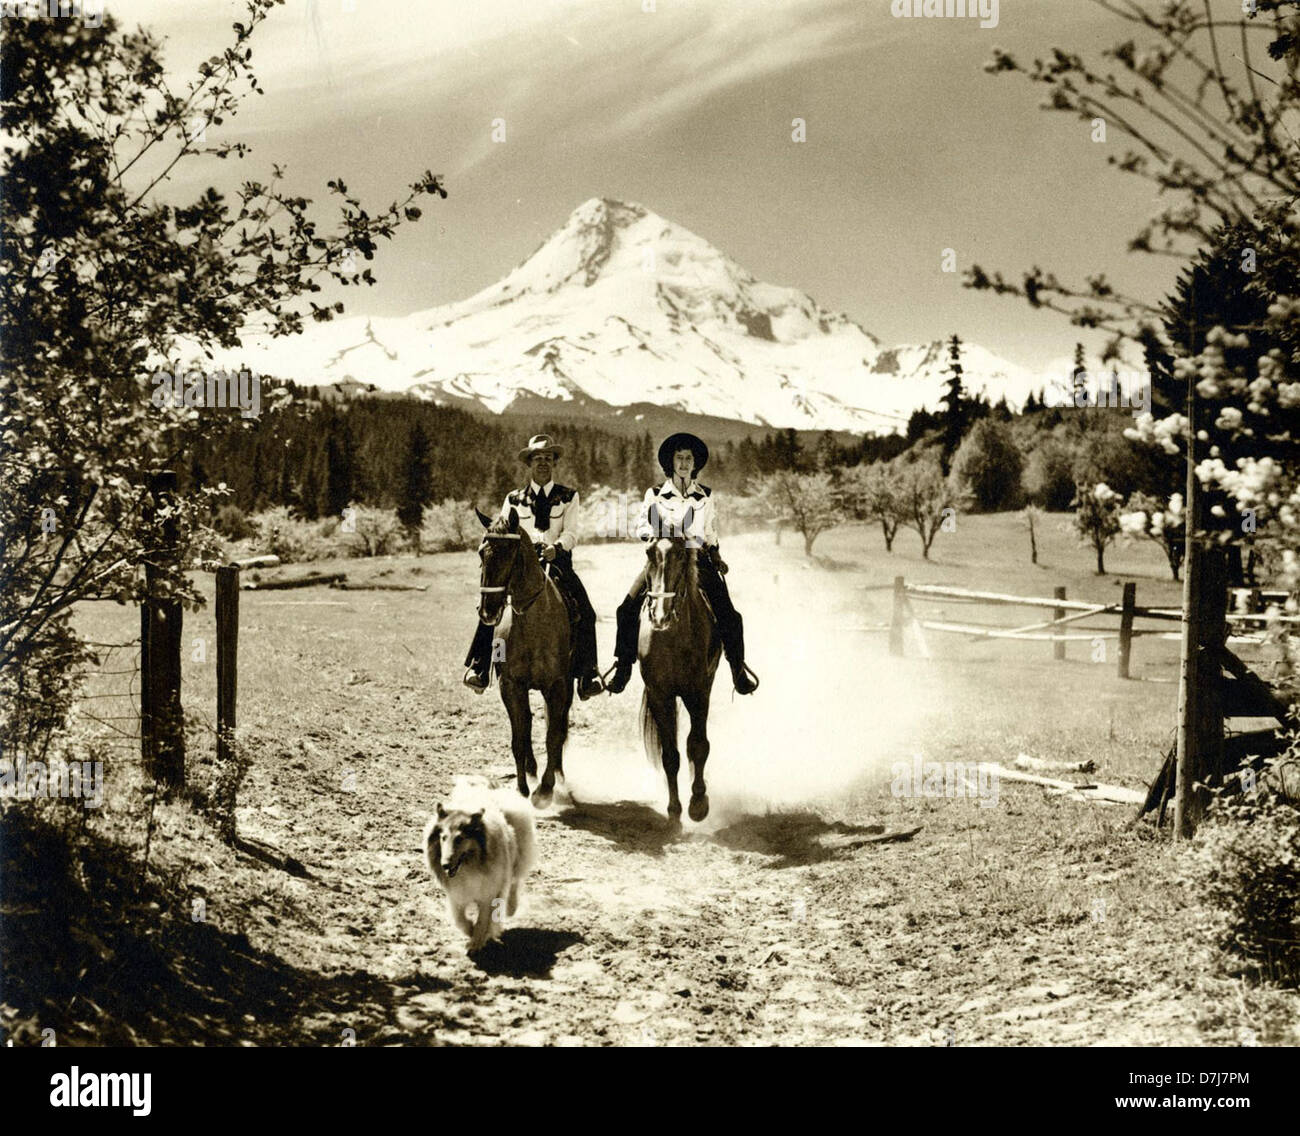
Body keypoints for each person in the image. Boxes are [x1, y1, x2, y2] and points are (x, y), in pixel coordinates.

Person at [604, 431, 758, 696]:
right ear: (671, 463)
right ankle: (623, 666)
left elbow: (708, 530)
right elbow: (642, 524)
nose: (685, 463)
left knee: (731, 615)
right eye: (679, 458)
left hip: (697, 560)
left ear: (695, 463)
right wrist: (656, 534)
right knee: (626, 608)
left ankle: (737, 669)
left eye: (689, 458)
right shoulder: (655, 495)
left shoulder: (706, 496)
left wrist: (716, 552)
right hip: (662, 558)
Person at [464, 434, 604, 700]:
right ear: (529, 463)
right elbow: (503, 532)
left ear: (554, 463)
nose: (543, 463)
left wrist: (557, 547)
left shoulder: (568, 497)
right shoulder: (514, 499)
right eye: (538, 458)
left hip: (557, 563)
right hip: (520, 568)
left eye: (548, 459)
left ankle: (588, 673)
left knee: (586, 612)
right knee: (491, 611)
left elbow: (572, 532)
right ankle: (486, 665)